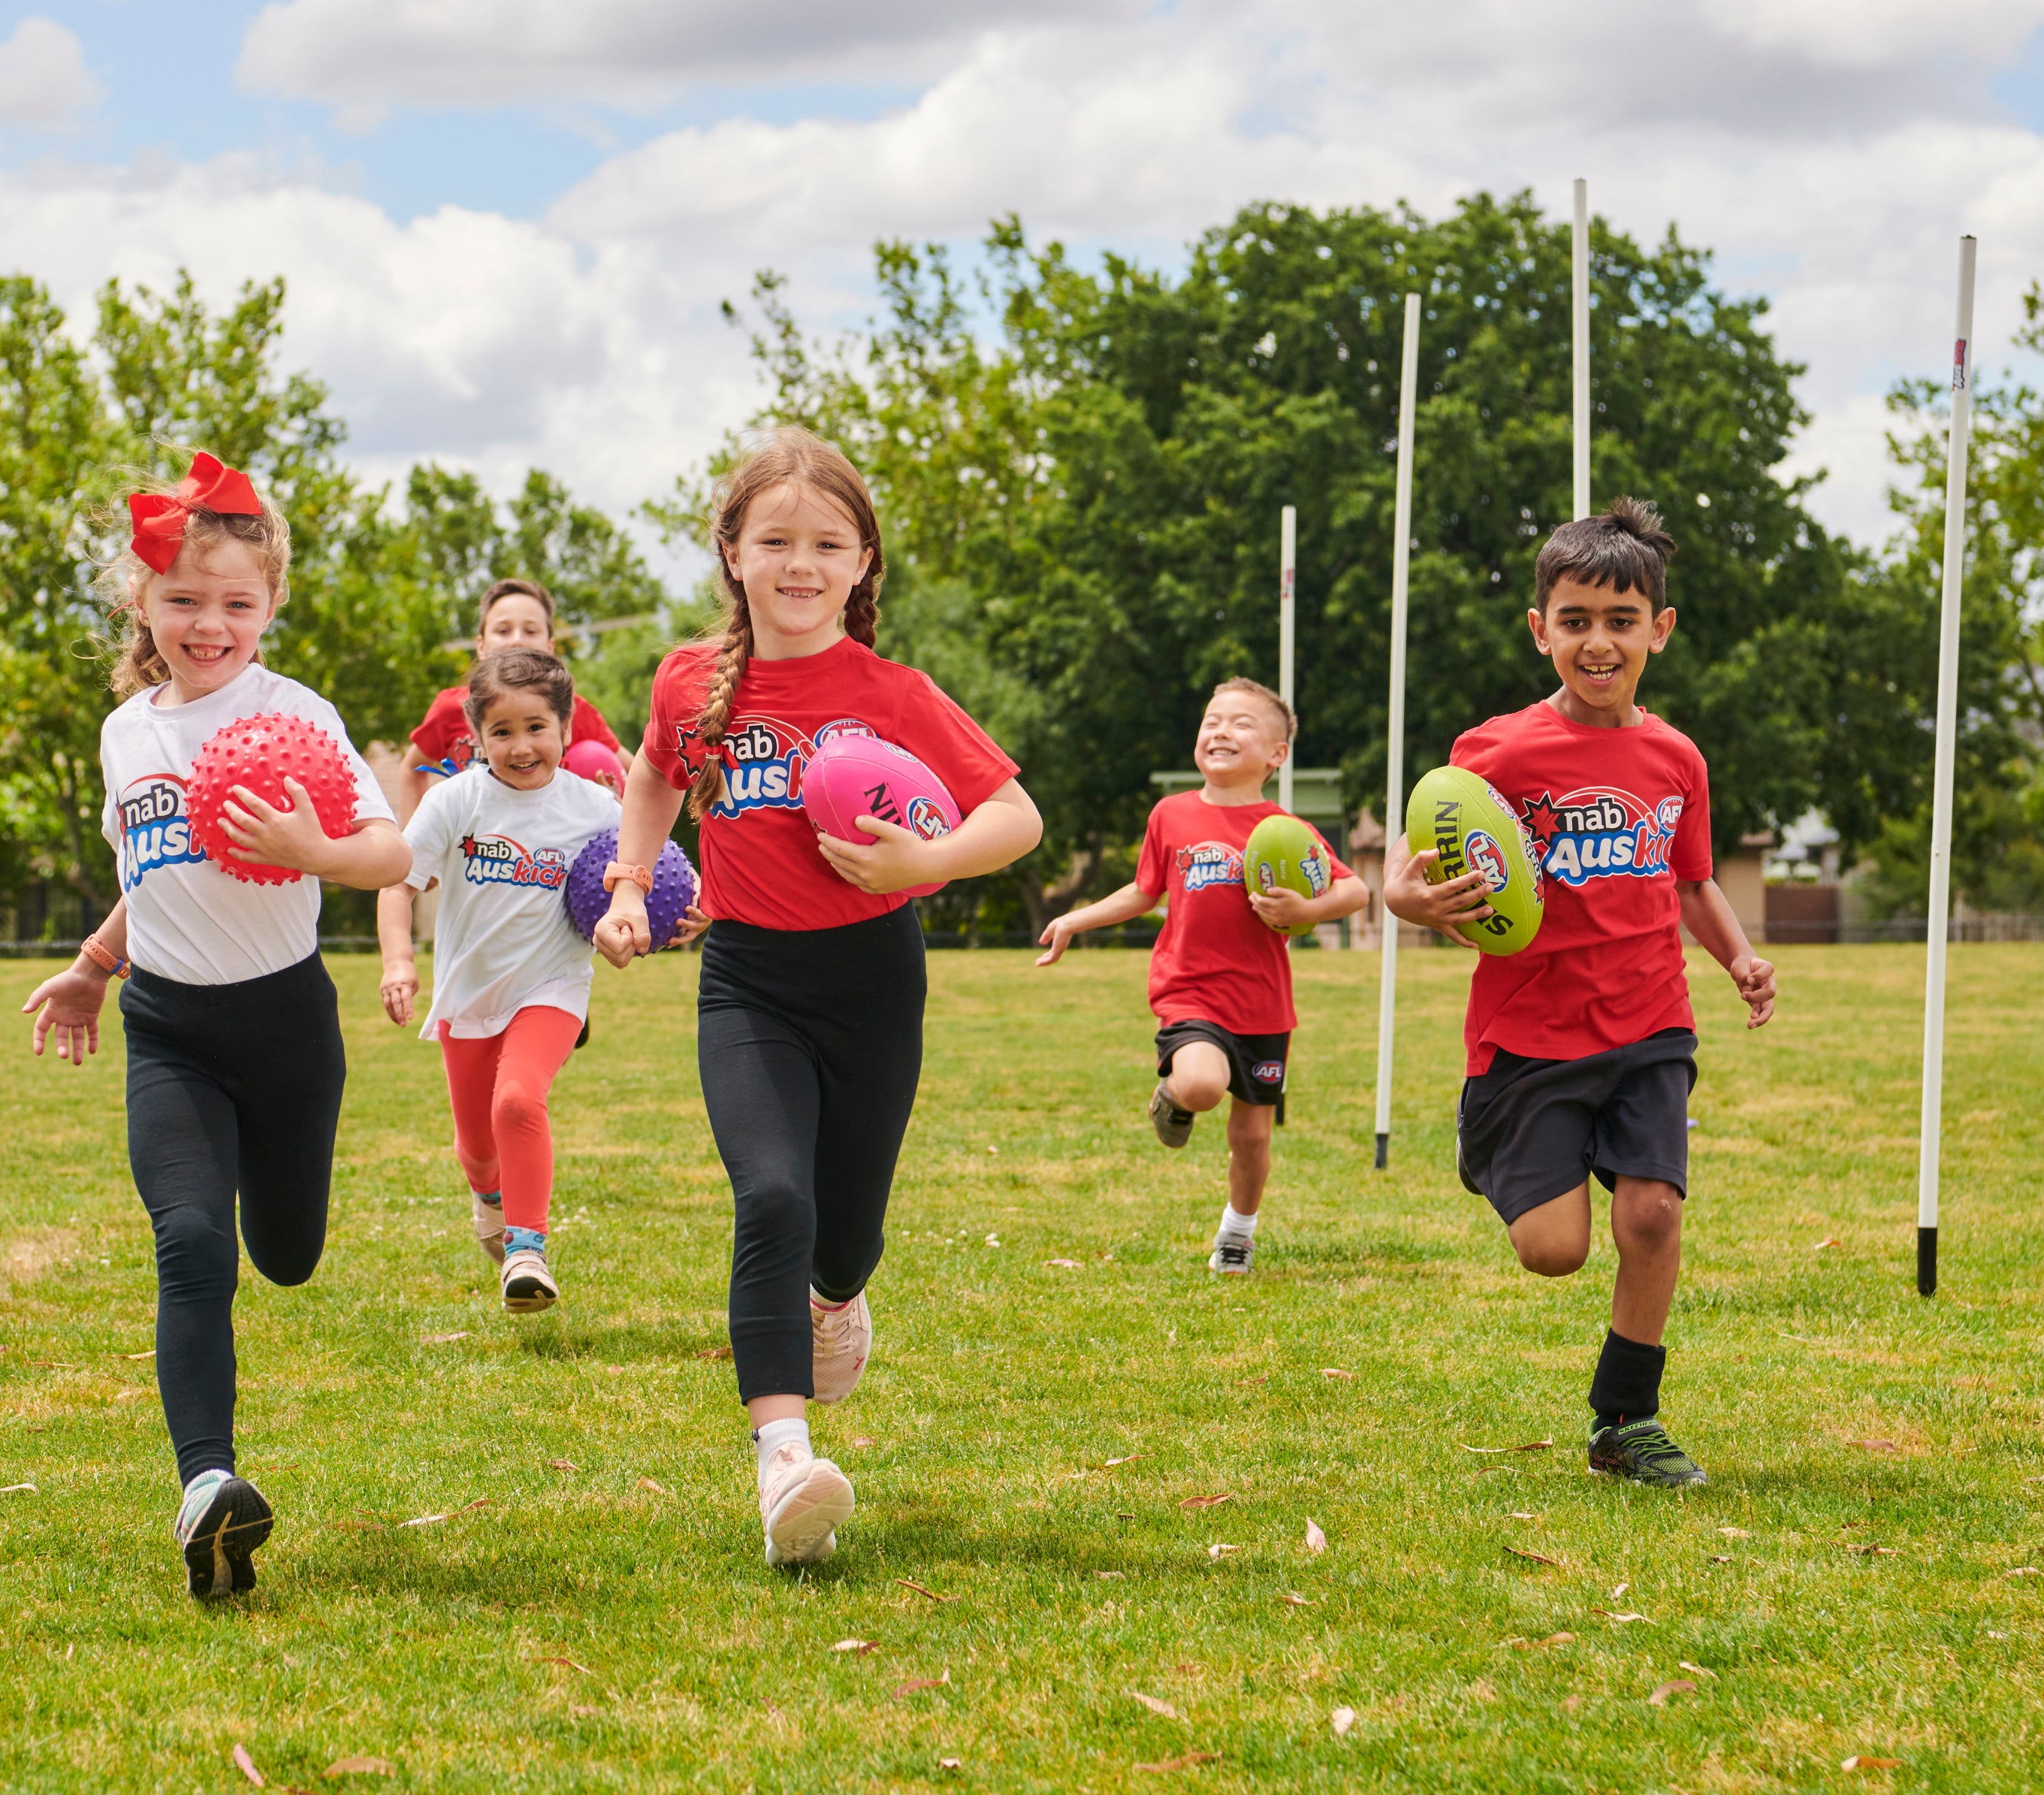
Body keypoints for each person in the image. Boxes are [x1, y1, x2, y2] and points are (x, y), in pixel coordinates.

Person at [593, 426, 1042, 1570]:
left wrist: (922, 865)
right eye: (776, 539)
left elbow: (1016, 818)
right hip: (749, 981)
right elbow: (651, 771)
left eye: (827, 543)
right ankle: (784, 1460)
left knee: (845, 1234)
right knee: (773, 1196)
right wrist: (634, 880)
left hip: (875, 977)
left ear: (863, 563)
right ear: (732, 552)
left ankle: (839, 1300)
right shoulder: (690, 679)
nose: (801, 562)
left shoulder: (894, 690)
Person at [20, 451, 411, 1598]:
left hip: (289, 1025)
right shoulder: (126, 734)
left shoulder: (299, 714)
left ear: (272, 604)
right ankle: (208, 1486)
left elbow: (392, 852)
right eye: (184, 600)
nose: (210, 623)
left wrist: (320, 854)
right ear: (140, 602)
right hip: (172, 1031)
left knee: (284, 1255)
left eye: (237, 601)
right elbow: (157, 872)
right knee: (191, 1241)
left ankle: (277, 1247)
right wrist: (97, 966)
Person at [1378, 497, 1774, 1490]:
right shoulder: (1497, 752)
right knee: (1553, 1250)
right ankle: (1491, 1130)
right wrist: (1405, 895)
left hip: (1651, 1024)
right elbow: (1416, 853)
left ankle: (1625, 1419)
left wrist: (1739, 958)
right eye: (1577, 620)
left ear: (1660, 630)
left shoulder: (1677, 757)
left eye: (1621, 620)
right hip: (1531, 1036)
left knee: (1651, 1216)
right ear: (1541, 628)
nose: (1599, 642)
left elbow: (1689, 878)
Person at [1034, 678, 1369, 1274]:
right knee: (1201, 1085)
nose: (1220, 731)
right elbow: (1144, 891)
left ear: (1276, 754)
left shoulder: (1283, 830)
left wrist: (1307, 911)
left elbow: (1355, 888)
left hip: (1265, 1006)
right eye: (1212, 720)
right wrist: (1073, 920)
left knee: (1253, 1137)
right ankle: (1173, 1094)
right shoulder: (1172, 814)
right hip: (1189, 992)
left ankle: (1237, 1235)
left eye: (1241, 723)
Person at [379, 644, 623, 1313]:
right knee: (477, 1147)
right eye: (503, 732)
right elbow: (396, 883)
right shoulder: (456, 800)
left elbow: (638, 887)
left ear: (568, 729)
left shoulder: (599, 811)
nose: (522, 746)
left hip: (553, 986)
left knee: (517, 1101)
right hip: (469, 994)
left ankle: (527, 1247)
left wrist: (636, 928)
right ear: (479, 737)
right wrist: (399, 959)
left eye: (537, 727)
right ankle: (488, 1197)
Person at [388, 579, 629, 824]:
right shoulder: (451, 708)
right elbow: (412, 768)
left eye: (531, 631)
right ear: (480, 645)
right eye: (503, 631)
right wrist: (410, 846)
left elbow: (642, 772)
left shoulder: (571, 710)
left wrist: (618, 810)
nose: (516, 640)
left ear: (550, 646)